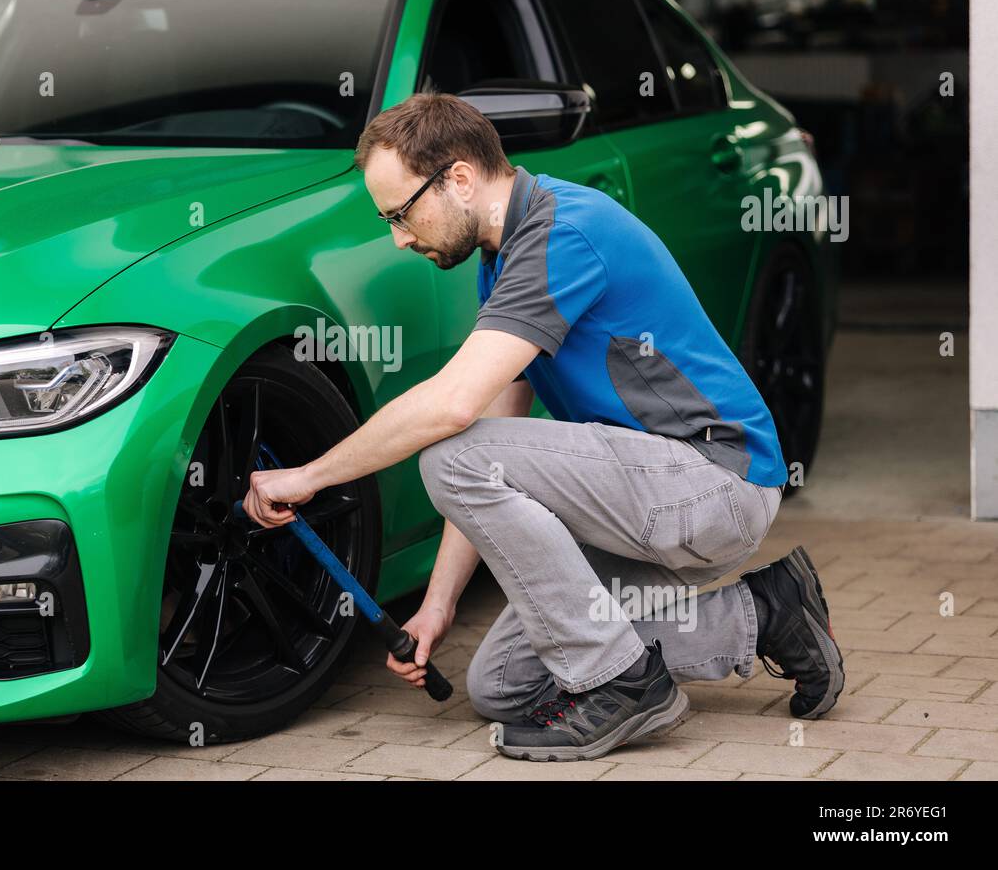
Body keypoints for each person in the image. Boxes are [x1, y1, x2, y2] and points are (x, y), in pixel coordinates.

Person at [241, 92, 843, 761]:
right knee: (502, 684)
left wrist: (308, 477)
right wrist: (438, 606)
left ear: (460, 178)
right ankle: (765, 615)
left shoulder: (565, 232)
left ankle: (624, 686)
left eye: (401, 214)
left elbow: (454, 413)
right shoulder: (502, 259)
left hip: (714, 484)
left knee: (447, 453)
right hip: (647, 499)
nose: (400, 239)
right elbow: (498, 425)